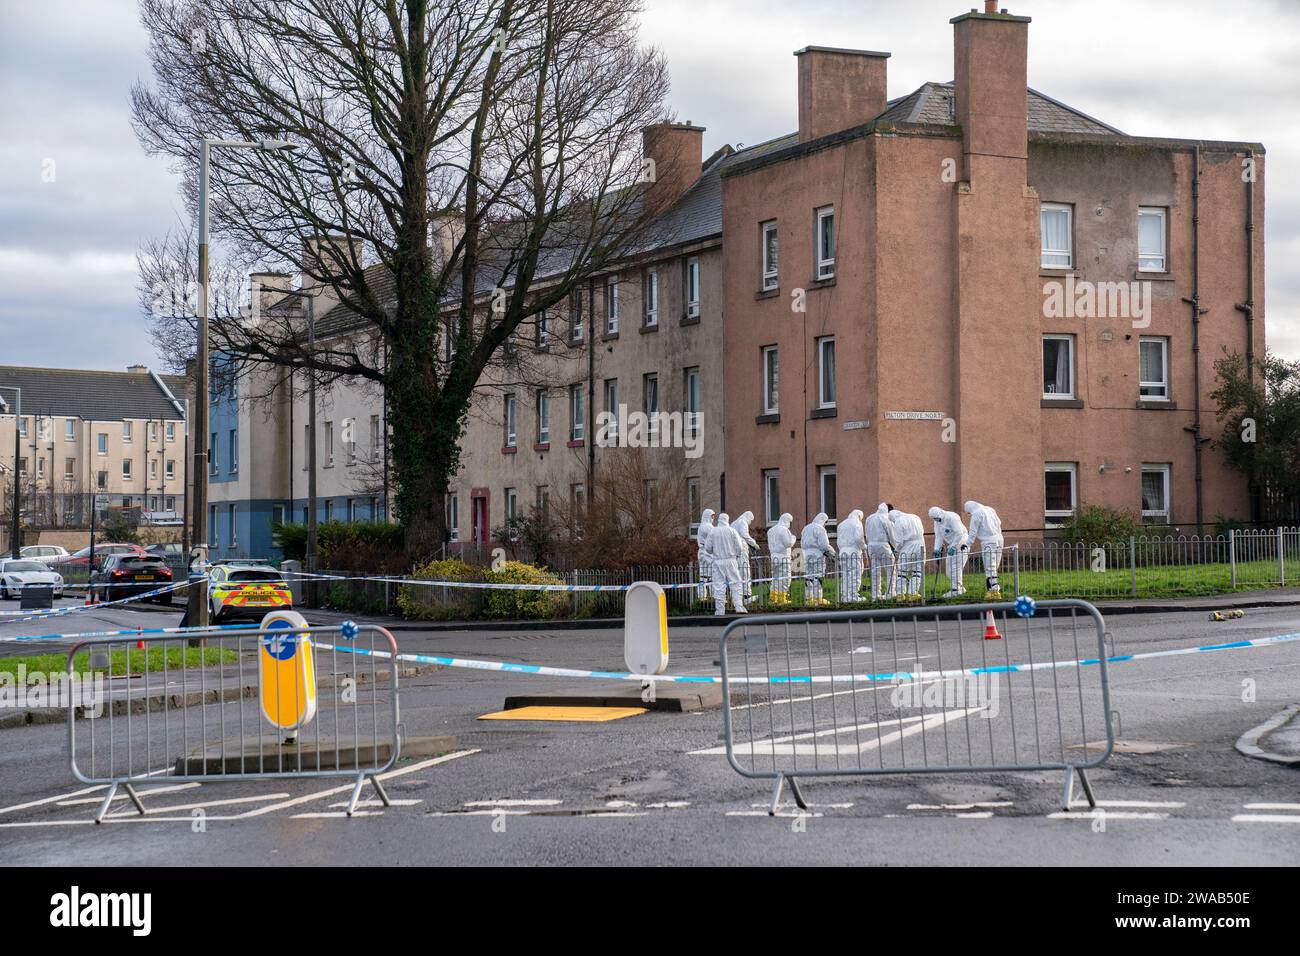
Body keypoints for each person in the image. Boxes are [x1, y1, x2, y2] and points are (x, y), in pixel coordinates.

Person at [705, 512, 746, 615]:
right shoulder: (732, 531)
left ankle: (720, 610)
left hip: (718, 561)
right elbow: (740, 547)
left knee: (719, 585)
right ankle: (738, 606)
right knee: (735, 583)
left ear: (719, 520)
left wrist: (714, 551)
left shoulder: (713, 532)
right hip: (731, 560)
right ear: (727, 520)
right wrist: (736, 554)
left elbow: (708, 548)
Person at [964, 500, 1005, 598]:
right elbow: (999, 523)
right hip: (999, 539)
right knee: (995, 566)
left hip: (988, 542)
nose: (969, 515)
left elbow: (973, 531)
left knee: (990, 567)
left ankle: (994, 592)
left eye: (968, 513)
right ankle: (991, 589)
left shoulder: (976, 514)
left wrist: (967, 544)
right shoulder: (990, 509)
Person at [928, 506, 970, 598]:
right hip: (951, 544)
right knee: (949, 570)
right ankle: (960, 587)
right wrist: (937, 549)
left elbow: (959, 533)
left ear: (941, 513)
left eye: (937, 518)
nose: (936, 520)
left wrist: (954, 546)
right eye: (934, 519)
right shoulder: (937, 522)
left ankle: (956, 590)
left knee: (956, 567)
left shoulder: (951, 517)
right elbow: (938, 537)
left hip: (961, 542)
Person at [889, 507, 927, 600]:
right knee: (917, 571)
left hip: (907, 547)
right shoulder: (915, 517)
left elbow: (899, 541)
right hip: (920, 544)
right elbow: (922, 531)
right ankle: (913, 594)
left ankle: (900, 594)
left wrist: (896, 550)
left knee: (902, 571)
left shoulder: (898, 522)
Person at [799, 513, 835, 605]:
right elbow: (824, 545)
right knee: (818, 577)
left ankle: (808, 599)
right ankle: (818, 599)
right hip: (817, 554)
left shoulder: (806, 528)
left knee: (808, 577)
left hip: (806, 554)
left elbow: (802, 543)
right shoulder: (820, 529)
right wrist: (833, 553)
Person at [865, 502, 897, 601]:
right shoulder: (885, 518)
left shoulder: (869, 518)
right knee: (891, 569)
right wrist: (896, 547)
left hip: (871, 545)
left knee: (875, 571)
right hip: (883, 545)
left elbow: (866, 532)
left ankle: (875, 595)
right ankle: (890, 592)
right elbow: (891, 534)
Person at [836, 509, 866, 602]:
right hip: (853, 551)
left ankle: (845, 597)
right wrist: (864, 546)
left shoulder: (841, 524)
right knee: (855, 574)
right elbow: (858, 538)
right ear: (859, 516)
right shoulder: (857, 523)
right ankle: (853, 596)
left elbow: (839, 541)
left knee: (845, 575)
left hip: (843, 551)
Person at [767, 513, 796, 604]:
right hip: (783, 557)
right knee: (786, 578)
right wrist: (793, 538)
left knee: (775, 578)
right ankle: (782, 598)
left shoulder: (771, 530)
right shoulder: (784, 530)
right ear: (787, 520)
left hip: (773, 556)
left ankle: (773, 598)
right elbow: (788, 543)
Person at [731, 510, 760, 600]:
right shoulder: (743, 522)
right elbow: (745, 535)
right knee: (745, 571)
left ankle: (736, 594)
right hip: (741, 550)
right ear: (748, 517)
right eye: (751, 520)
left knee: (736, 573)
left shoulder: (734, 523)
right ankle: (746, 594)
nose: (750, 522)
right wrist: (754, 544)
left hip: (734, 551)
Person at [695, 509, 715, 602]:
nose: (713, 518)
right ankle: (712, 595)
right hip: (707, 553)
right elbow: (714, 537)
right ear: (708, 516)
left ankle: (702, 596)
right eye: (712, 516)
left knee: (704, 576)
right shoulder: (708, 526)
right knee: (711, 575)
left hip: (702, 552)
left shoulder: (701, 526)